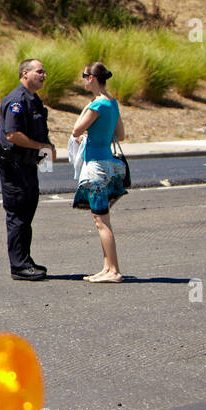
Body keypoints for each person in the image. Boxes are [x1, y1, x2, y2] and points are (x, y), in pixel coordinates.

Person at [0, 59, 56, 280]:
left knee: (27, 213)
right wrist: (41, 146)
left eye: (44, 72)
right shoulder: (17, 100)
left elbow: (39, 133)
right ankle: (19, 266)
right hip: (14, 166)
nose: (44, 75)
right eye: (39, 71)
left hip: (28, 165)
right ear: (25, 73)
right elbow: (13, 135)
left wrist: (47, 151)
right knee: (18, 214)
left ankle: (25, 260)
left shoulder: (34, 100)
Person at [71, 62, 127, 283]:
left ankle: (114, 271)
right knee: (102, 219)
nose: (83, 79)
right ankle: (107, 267)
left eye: (84, 76)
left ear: (92, 78)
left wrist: (87, 110)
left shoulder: (97, 105)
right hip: (109, 164)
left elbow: (76, 129)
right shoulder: (112, 103)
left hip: (96, 166)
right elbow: (120, 135)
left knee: (101, 221)